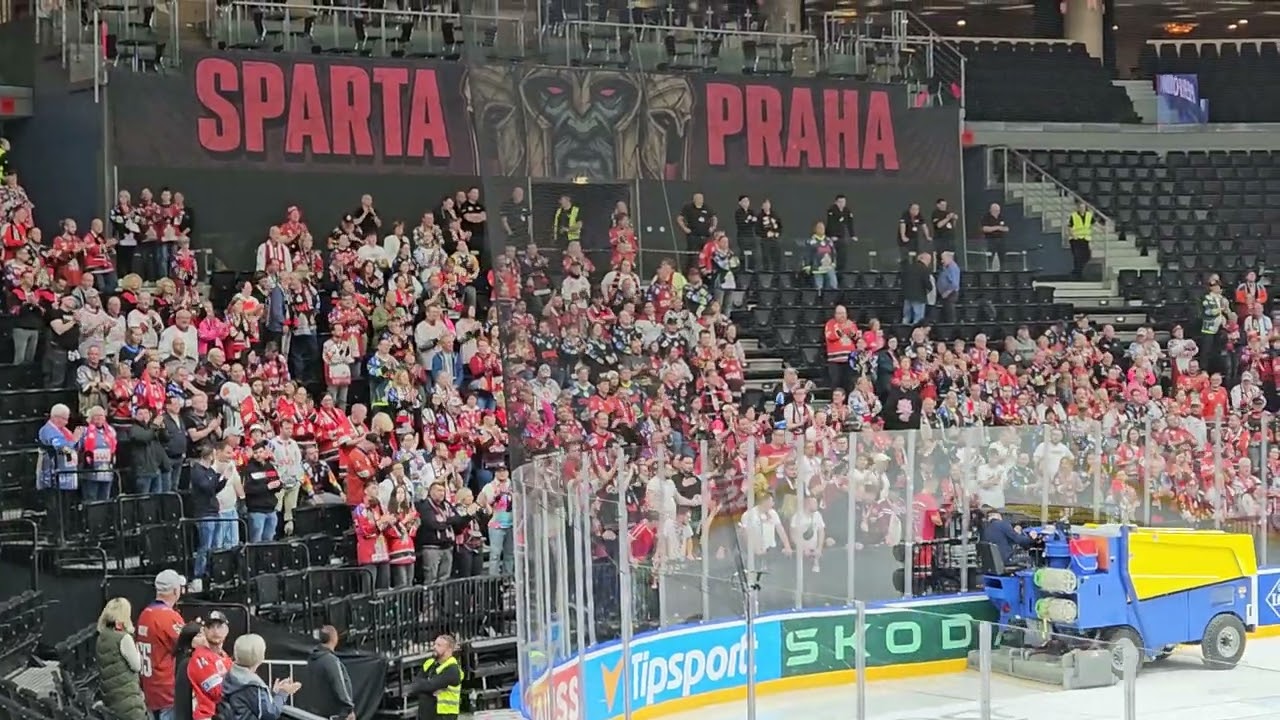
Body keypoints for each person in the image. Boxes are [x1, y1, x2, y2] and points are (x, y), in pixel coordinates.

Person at [137, 569, 188, 720]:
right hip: (166, 691)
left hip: (149, 688)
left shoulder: (145, 614)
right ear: (175, 590)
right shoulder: (168, 617)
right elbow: (190, 644)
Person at [216, 634, 301, 720]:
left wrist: (274, 693)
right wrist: (283, 693)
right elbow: (270, 714)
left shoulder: (231, 675)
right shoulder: (252, 685)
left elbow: (250, 702)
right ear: (260, 656)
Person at [97, 597, 147, 720]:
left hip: (111, 694)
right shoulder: (124, 638)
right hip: (127, 697)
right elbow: (136, 665)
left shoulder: (102, 636)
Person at [408, 634, 464, 720]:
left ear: (449, 650)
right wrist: (428, 687)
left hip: (444, 715)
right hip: (425, 714)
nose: (434, 647)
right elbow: (415, 685)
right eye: (434, 644)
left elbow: (431, 685)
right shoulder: (429, 663)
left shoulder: (452, 669)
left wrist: (426, 686)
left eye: (439, 645)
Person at [189, 610, 232, 720]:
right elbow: (217, 692)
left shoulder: (224, 657)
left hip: (224, 714)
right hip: (207, 716)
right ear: (204, 630)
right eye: (211, 627)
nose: (215, 631)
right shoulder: (200, 657)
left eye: (219, 626)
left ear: (226, 630)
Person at [306, 626, 355, 720]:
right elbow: (339, 686)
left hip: (315, 712)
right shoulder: (331, 660)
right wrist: (349, 708)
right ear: (334, 638)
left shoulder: (311, 659)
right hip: (333, 715)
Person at [1067, 199, 1094, 280]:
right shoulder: (1074, 215)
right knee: (1077, 257)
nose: (1082, 209)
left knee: (1086, 256)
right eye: (1081, 207)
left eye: (1083, 207)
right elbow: (1069, 226)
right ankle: (1077, 274)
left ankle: (1077, 271)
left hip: (1085, 239)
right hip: (1075, 239)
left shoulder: (1089, 215)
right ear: (1078, 208)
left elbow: (1093, 223)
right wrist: (1073, 234)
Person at [980, 203, 1009, 270]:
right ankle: (989, 270)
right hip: (990, 240)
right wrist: (997, 228)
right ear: (991, 210)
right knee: (990, 257)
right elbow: (984, 229)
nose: (997, 212)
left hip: (1001, 240)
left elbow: (1006, 228)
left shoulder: (1002, 217)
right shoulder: (986, 217)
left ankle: (1003, 270)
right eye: (995, 211)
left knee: (1002, 257)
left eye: (998, 211)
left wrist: (1001, 228)